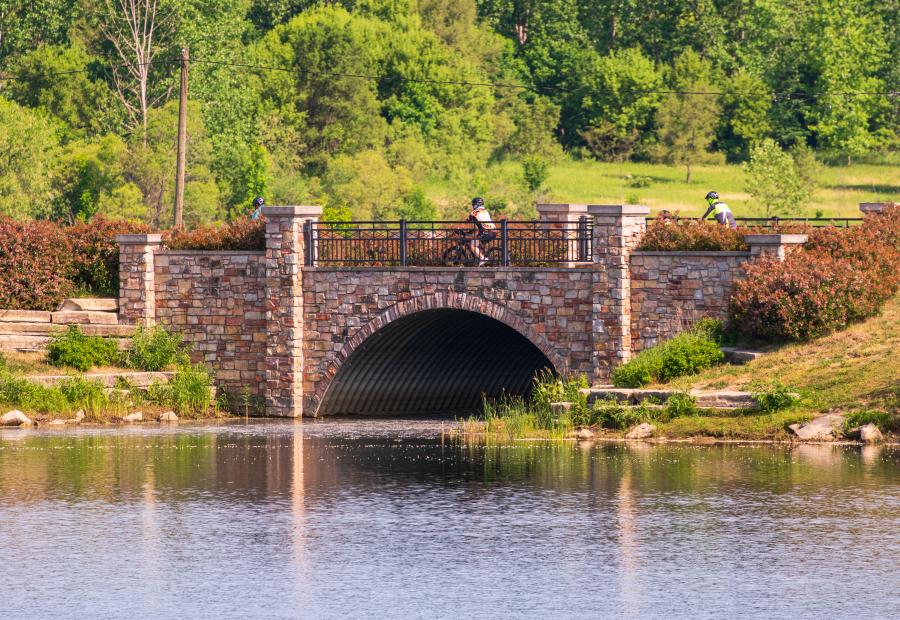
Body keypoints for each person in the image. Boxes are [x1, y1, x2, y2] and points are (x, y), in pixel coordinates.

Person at [467, 197, 497, 266]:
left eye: (473, 205)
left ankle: (482, 258)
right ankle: (481, 256)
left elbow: (468, 222)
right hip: (493, 231)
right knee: (477, 241)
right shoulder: (486, 211)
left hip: (486, 232)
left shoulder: (474, 213)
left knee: (472, 246)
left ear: (476, 205)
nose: (473, 206)